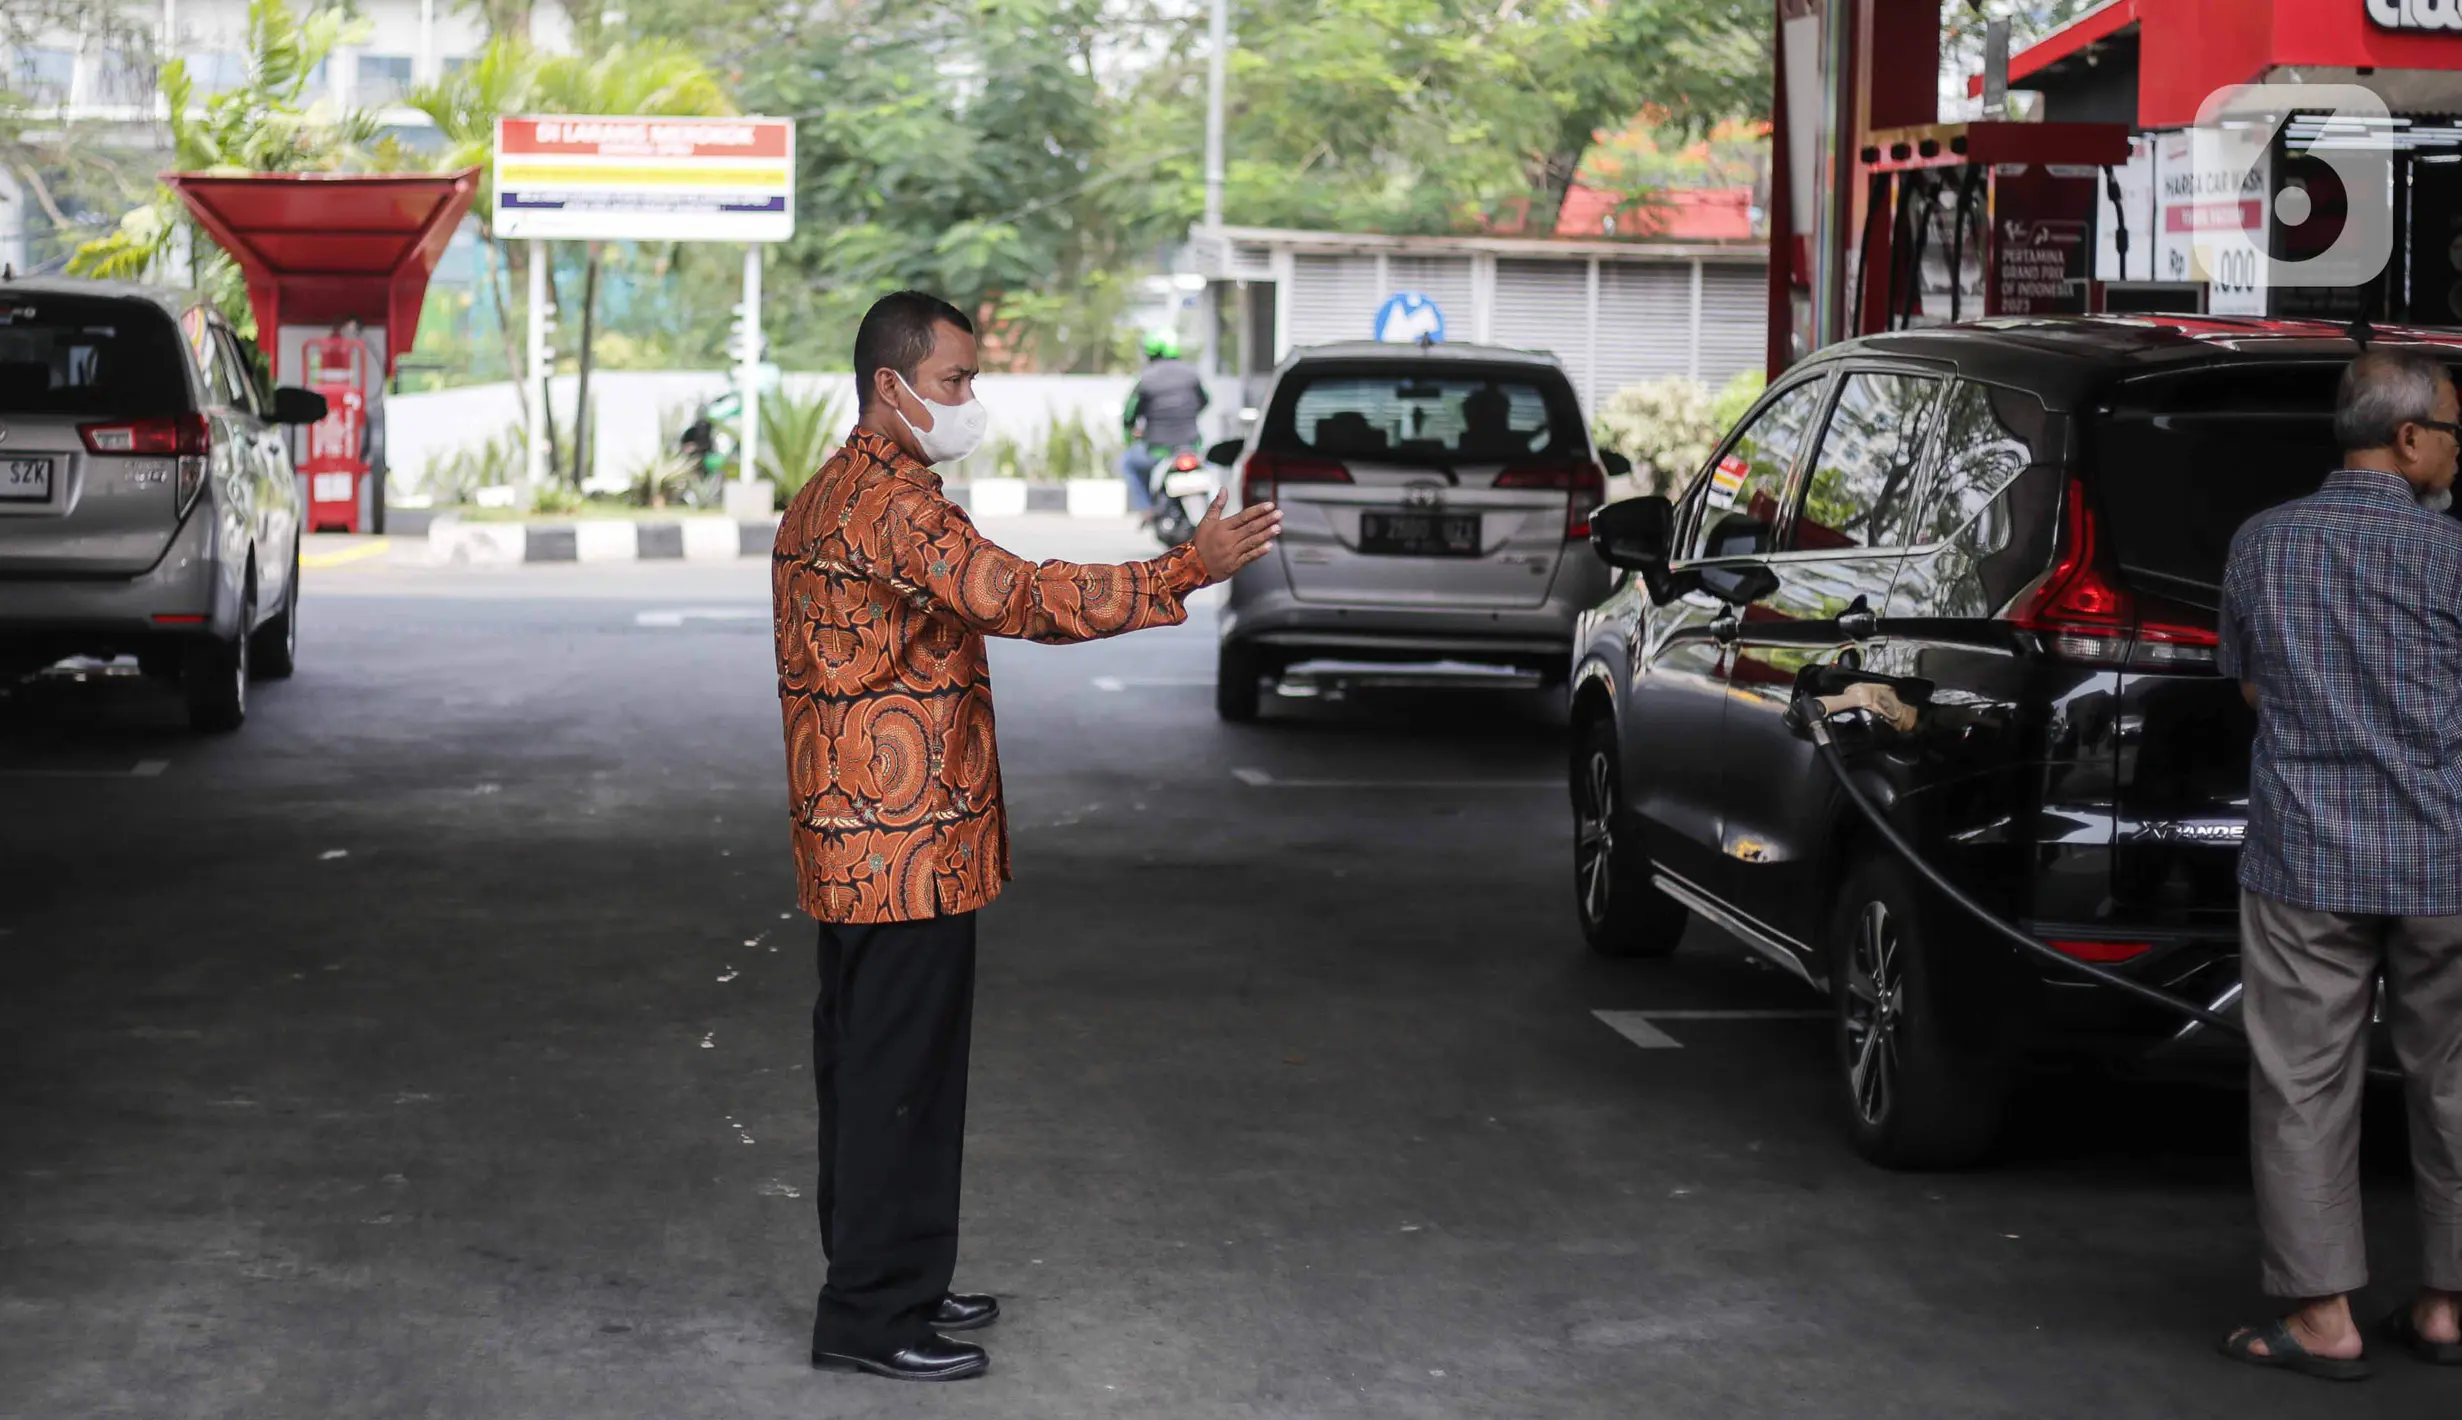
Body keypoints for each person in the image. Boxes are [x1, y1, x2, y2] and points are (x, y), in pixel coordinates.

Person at [770, 291, 1280, 1383]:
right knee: (897, 1081)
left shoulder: (844, 490)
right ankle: (868, 1310)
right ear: (889, 387)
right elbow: (1020, 596)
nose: (970, 401)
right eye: (953, 381)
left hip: (867, 846)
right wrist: (1183, 569)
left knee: (876, 1073)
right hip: (900, 853)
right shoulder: (892, 509)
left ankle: (892, 1271)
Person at [2215, 346, 2462, 1381]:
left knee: (2302, 1084)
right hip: (2446, 856)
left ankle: (2321, 1320)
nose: (2457, 452)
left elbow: (2249, 690)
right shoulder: (2452, 560)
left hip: (2302, 855)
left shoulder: (2261, 543)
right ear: (2406, 440)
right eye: (2453, 433)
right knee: (2450, 1076)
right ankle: (2445, 1305)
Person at [1118, 330, 1209, 518]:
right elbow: (1204, 401)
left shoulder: (1146, 379)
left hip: (1158, 450)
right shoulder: (1191, 374)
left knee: (1128, 463)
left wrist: (1130, 437)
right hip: (1191, 446)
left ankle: (1147, 509)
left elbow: (1129, 415)